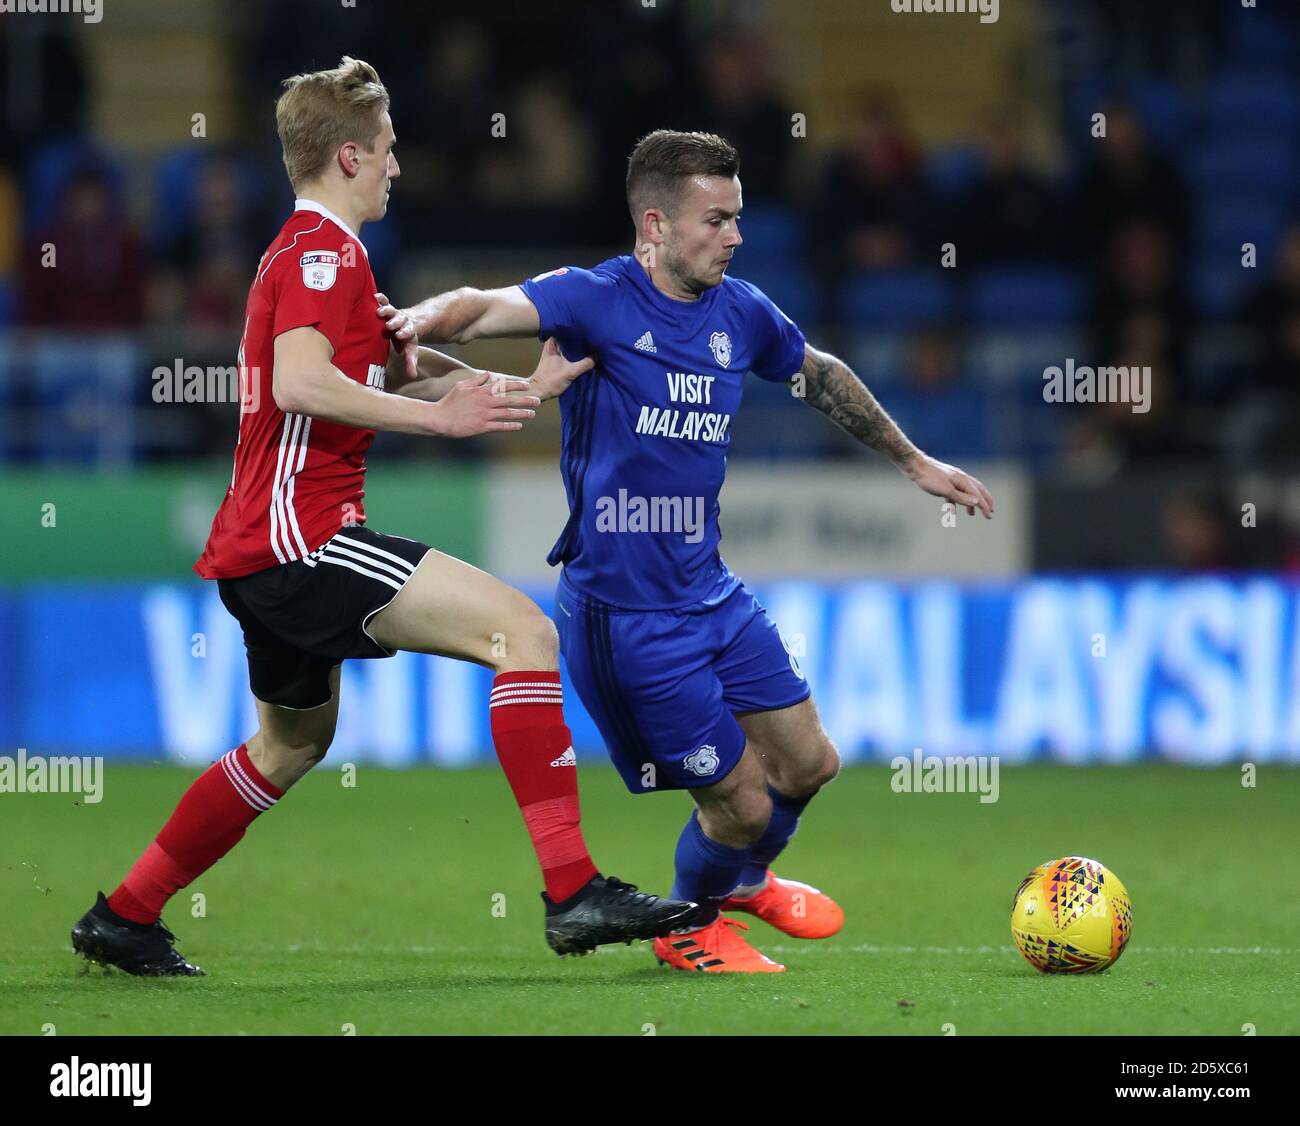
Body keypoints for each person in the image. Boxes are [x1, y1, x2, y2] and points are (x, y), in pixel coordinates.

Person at [70, 60, 694, 978]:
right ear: (351, 155)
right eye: (392, 151)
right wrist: (441, 419)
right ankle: (572, 891)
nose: (399, 168)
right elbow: (301, 382)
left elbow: (392, 367)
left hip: (264, 545)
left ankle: (124, 915)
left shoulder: (315, 255)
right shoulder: (327, 253)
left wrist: (516, 386)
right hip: (302, 539)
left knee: (289, 746)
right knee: (521, 629)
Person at [382, 130, 993, 972]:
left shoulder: (740, 311)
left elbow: (815, 372)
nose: (735, 236)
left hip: (711, 595)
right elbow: (480, 307)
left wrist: (915, 461)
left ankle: (737, 886)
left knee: (811, 763)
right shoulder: (595, 299)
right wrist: (418, 318)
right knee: (740, 804)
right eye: (717, 220)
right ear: (657, 225)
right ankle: (690, 926)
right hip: (626, 619)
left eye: (738, 218)